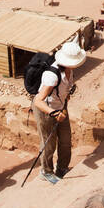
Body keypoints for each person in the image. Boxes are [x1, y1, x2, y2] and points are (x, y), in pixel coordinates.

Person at [33, 41, 85, 184]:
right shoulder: (52, 75)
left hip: (61, 107)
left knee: (65, 140)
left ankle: (62, 168)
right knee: (48, 142)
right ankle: (46, 171)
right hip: (46, 110)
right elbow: (38, 101)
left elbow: (64, 90)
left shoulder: (70, 70)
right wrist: (54, 113)